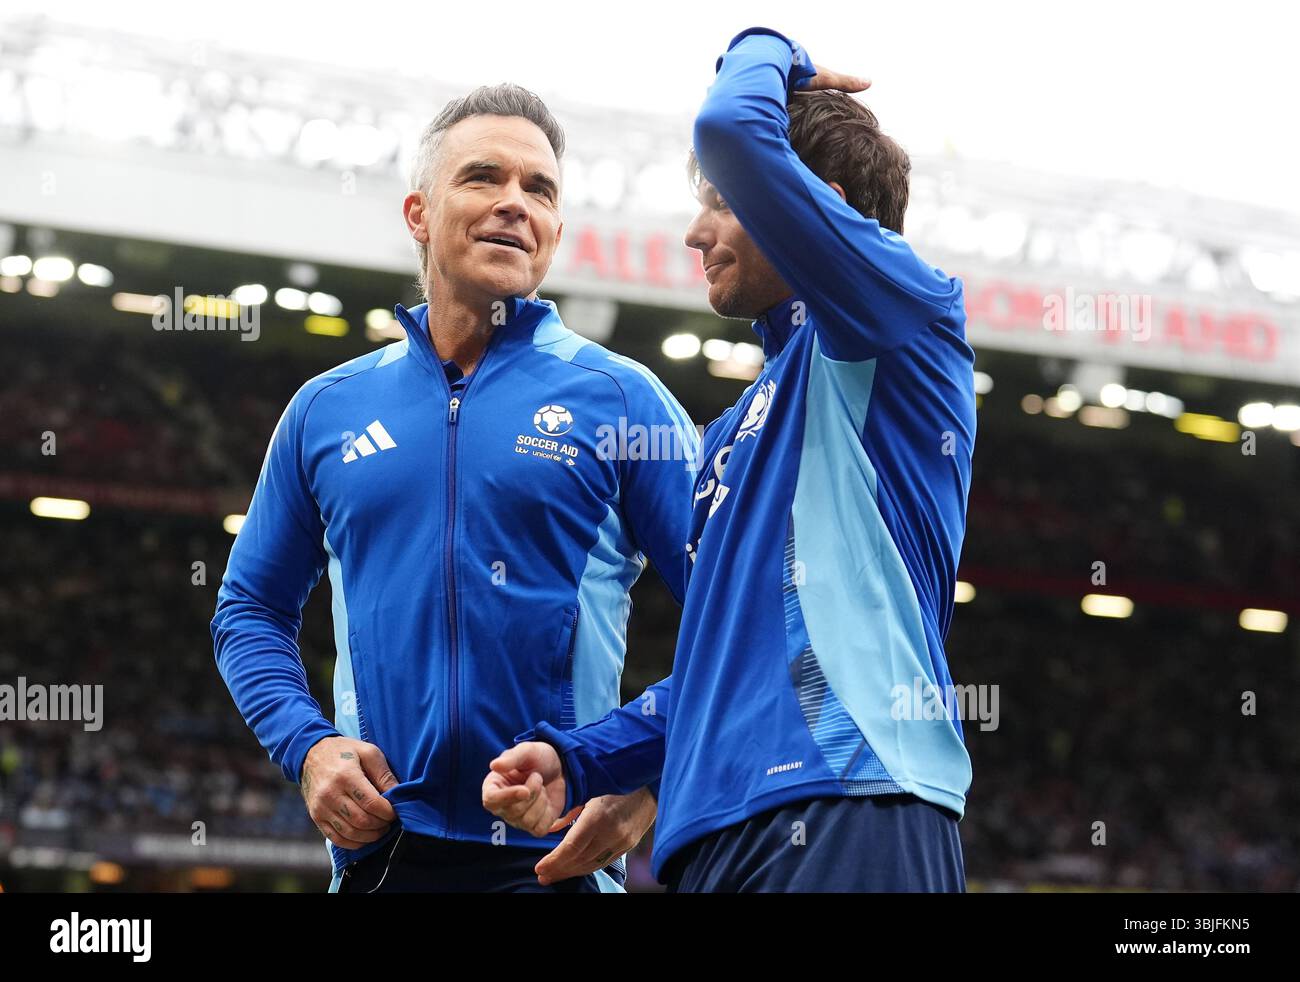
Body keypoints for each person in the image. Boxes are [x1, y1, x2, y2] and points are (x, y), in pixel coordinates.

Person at [484, 28, 975, 892]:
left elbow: (733, 129)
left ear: (811, 205)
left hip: (852, 802)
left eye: (721, 201)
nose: (694, 231)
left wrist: (768, 48)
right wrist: (587, 761)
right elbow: (720, 662)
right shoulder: (733, 431)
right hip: (711, 838)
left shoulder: (901, 325)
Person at [212, 83, 697, 892]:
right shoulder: (325, 411)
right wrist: (309, 745)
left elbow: (743, 625)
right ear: (418, 213)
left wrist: (649, 778)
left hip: (553, 866)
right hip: (382, 861)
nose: (515, 203)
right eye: (484, 178)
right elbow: (249, 609)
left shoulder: (624, 400)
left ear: (555, 231)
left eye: (538, 190)